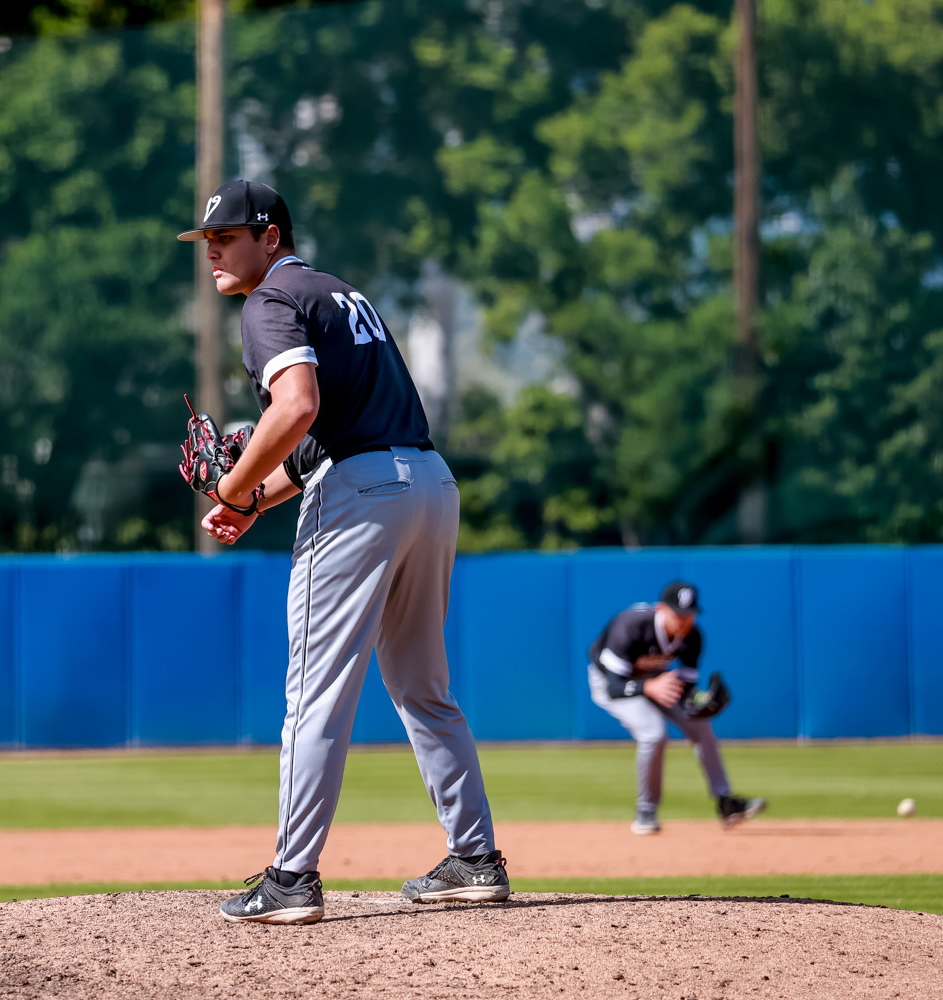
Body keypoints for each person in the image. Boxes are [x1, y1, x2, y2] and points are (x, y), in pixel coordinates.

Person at [177, 179, 507, 924]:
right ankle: (476, 858)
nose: (215, 254)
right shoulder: (337, 295)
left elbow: (297, 409)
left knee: (315, 691)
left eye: (227, 238)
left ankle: (291, 879)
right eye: (208, 242)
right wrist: (254, 500)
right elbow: (327, 439)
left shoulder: (269, 303)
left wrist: (230, 486)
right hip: (428, 482)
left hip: (363, 497)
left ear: (271, 236)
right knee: (424, 687)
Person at [588, 580, 767, 835]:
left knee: (700, 725)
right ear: (661, 609)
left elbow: (686, 687)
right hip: (608, 681)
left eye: (690, 615)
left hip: (658, 679)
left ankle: (726, 803)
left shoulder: (693, 636)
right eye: (679, 614)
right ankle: (645, 813)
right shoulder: (630, 625)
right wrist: (647, 687)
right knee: (653, 733)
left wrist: (700, 700)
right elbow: (613, 687)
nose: (685, 621)